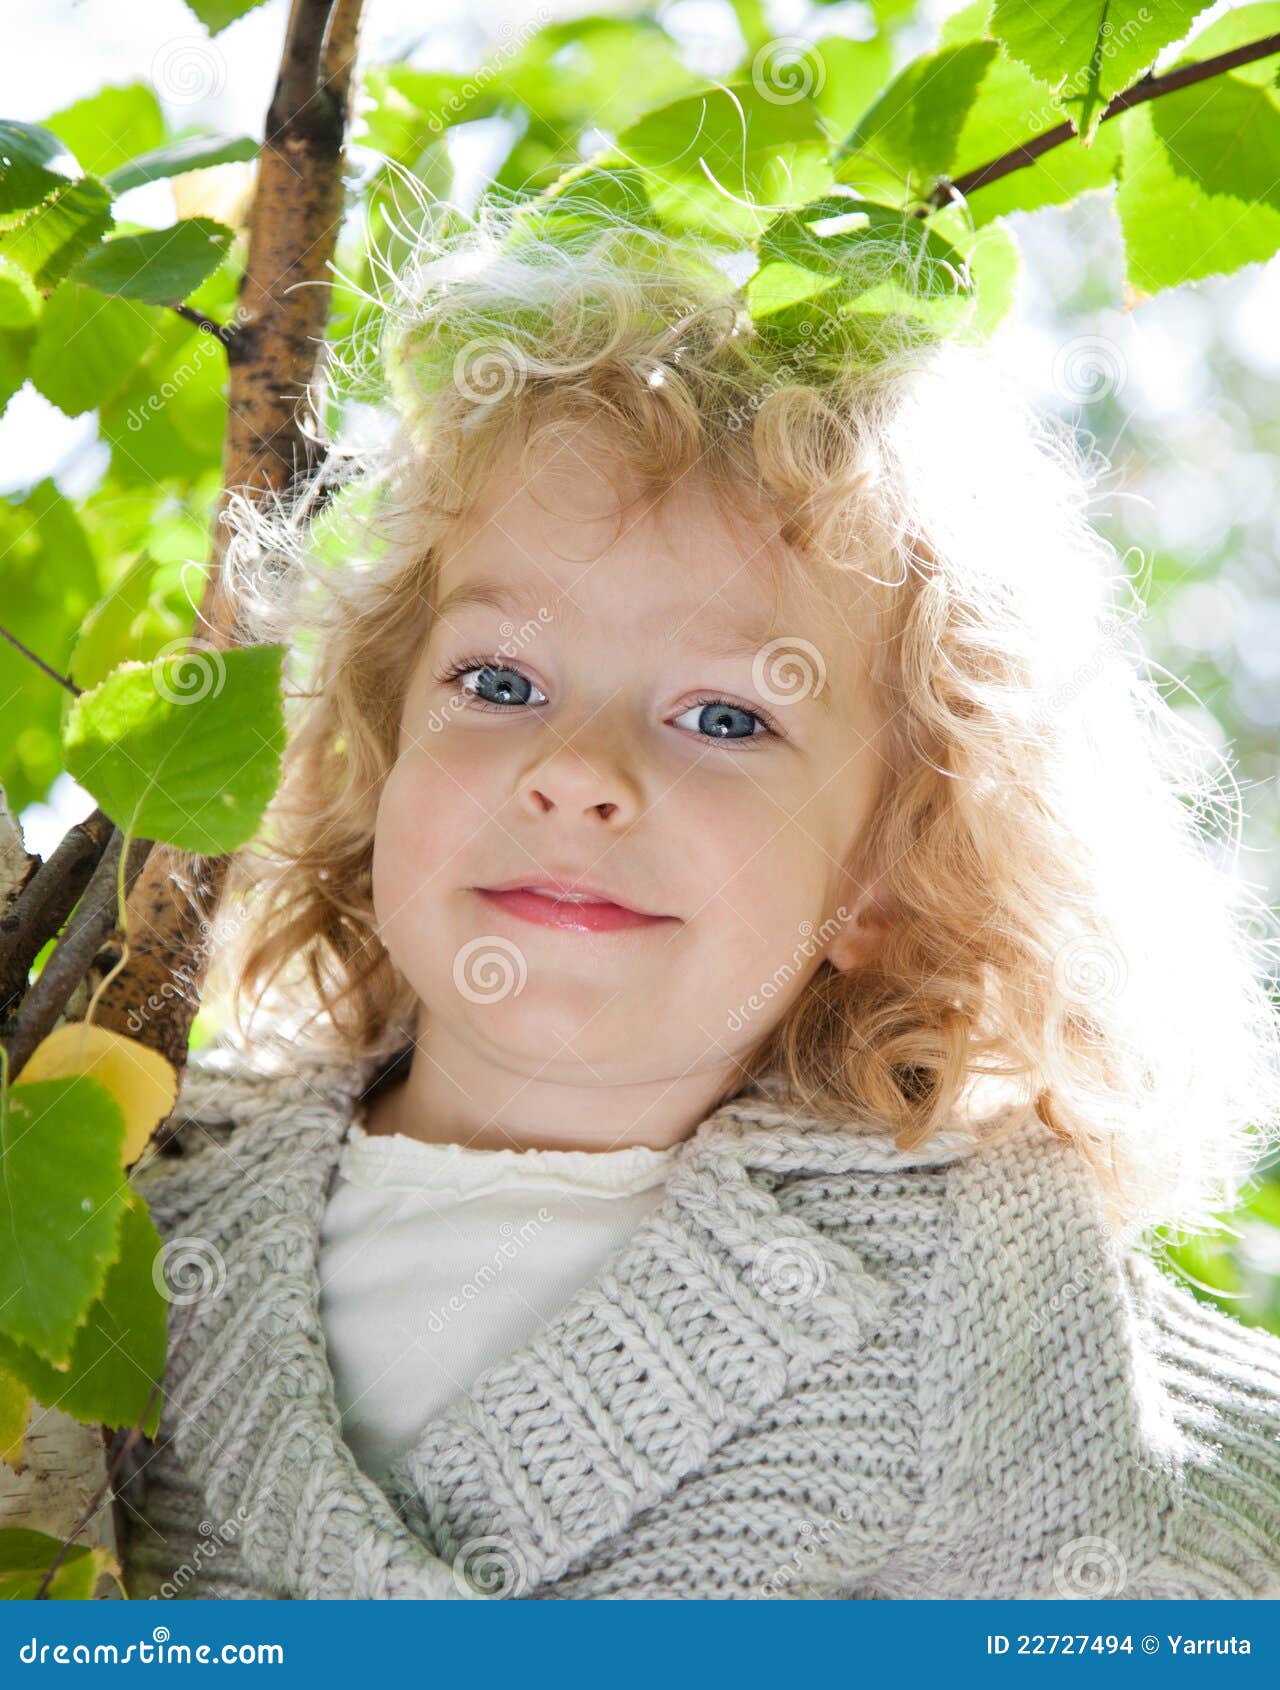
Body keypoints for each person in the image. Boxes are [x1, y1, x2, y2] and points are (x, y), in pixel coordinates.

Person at [112, 193, 1280, 1601]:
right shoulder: (140, 1186)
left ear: (887, 872)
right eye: (499, 683)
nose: (576, 771)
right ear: (377, 748)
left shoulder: (987, 1284)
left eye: (726, 717)